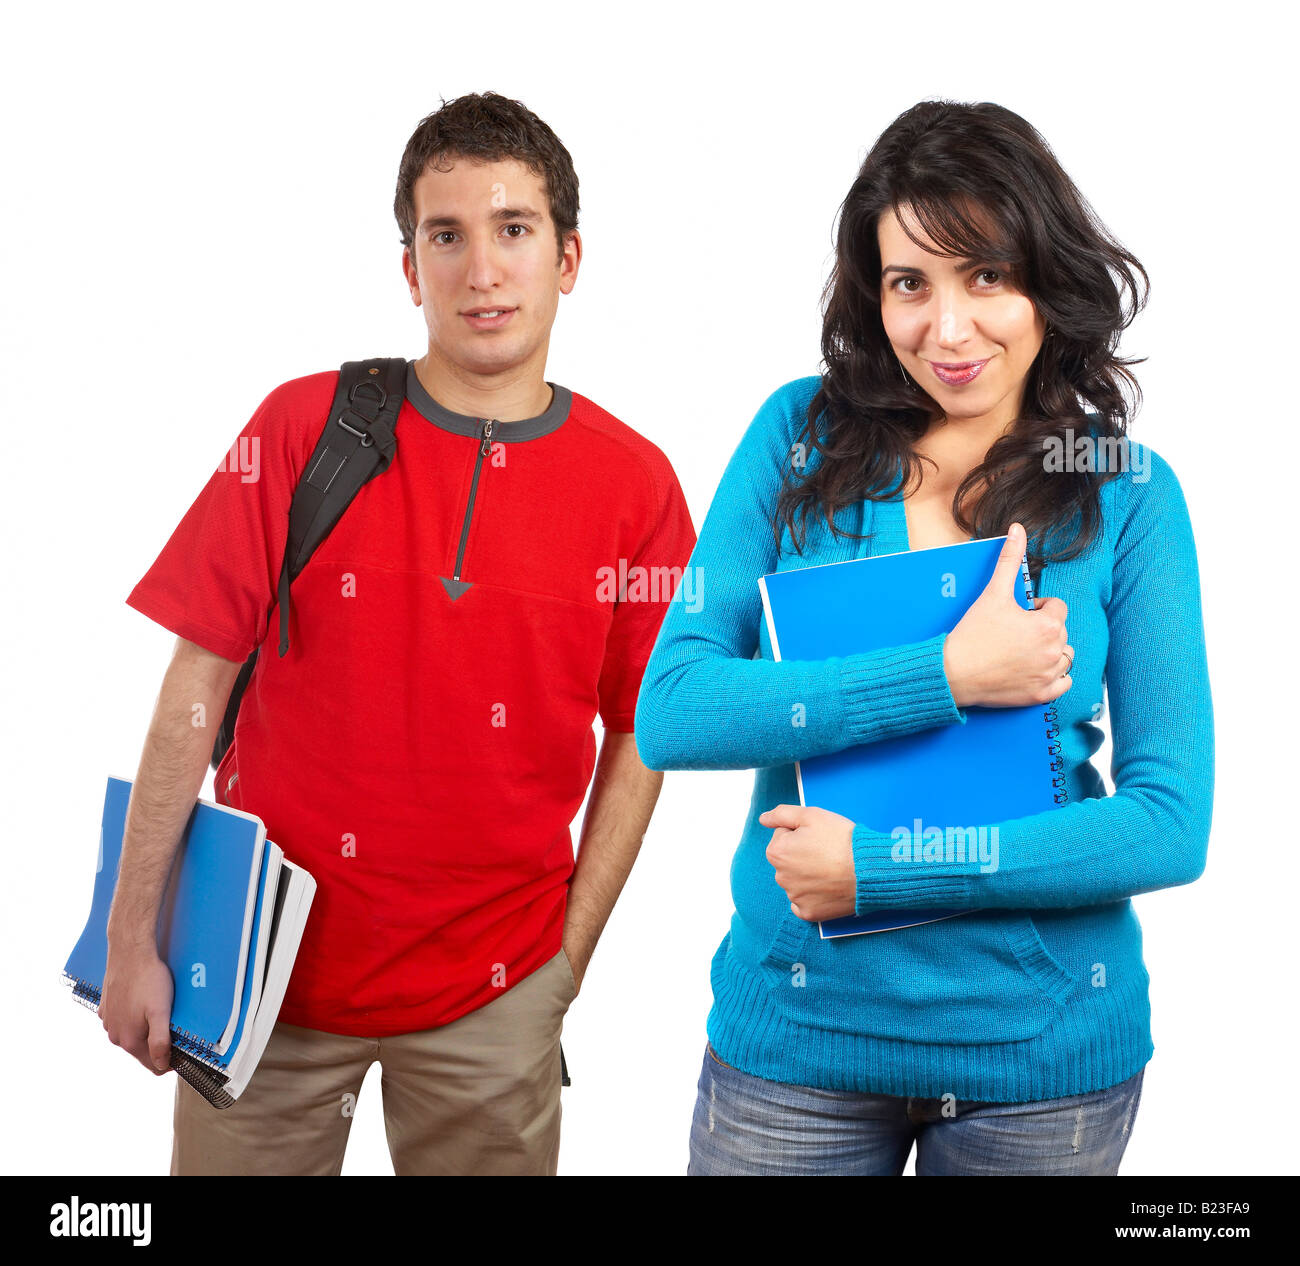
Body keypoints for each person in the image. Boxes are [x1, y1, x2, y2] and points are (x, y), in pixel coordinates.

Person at [99, 91, 697, 1176]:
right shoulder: (299, 428)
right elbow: (196, 679)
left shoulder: (637, 487)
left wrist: (565, 962)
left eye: (513, 230)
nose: (481, 271)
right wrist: (131, 936)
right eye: (446, 235)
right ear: (408, 266)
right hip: (259, 982)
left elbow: (645, 733)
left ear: (569, 257)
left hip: (495, 993)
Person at [634, 99, 1213, 1176]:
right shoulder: (795, 438)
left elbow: (1167, 823)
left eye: (985, 275)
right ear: (874, 293)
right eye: (910, 284)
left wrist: (888, 871)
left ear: (1048, 275)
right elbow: (673, 710)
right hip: (796, 1050)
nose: (947, 330)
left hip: (1042, 1065)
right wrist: (946, 674)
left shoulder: (1126, 493)